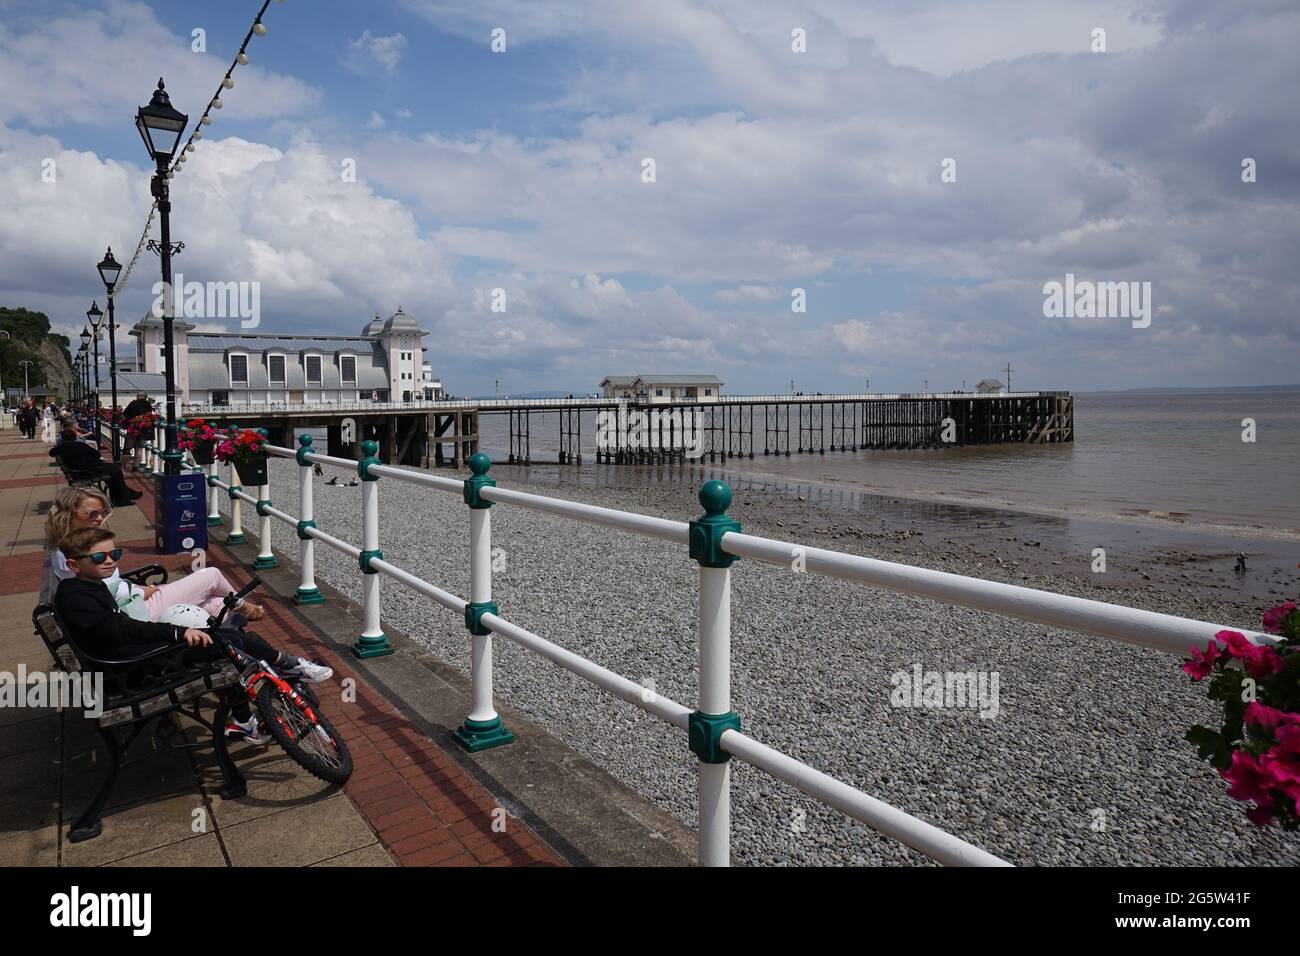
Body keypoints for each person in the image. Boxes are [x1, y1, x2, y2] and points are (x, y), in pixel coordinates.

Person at [54, 527, 332, 744]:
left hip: (122, 665)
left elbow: (120, 627)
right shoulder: (78, 599)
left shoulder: (82, 589)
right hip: (132, 673)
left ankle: (248, 717)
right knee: (220, 641)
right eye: (100, 557)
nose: (110, 562)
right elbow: (122, 629)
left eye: (115, 554)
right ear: (73, 565)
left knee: (217, 638)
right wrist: (176, 632)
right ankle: (287, 666)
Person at [39, 487, 265, 623]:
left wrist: (136, 589)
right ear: (70, 514)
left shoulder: (70, 545)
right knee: (211, 575)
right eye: (92, 514)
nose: (99, 518)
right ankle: (244, 607)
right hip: (133, 611)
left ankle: (229, 651)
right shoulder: (70, 553)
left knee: (214, 604)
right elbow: (101, 592)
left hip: (128, 603)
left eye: (102, 512)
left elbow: (100, 586)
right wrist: (142, 590)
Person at [49, 428, 141, 506]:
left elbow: (51, 452)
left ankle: (127, 494)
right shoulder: (80, 445)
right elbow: (97, 454)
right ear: (74, 437)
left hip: (77, 472)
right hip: (89, 470)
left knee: (113, 472)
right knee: (116, 471)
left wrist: (60, 446)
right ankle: (122, 499)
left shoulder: (60, 449)